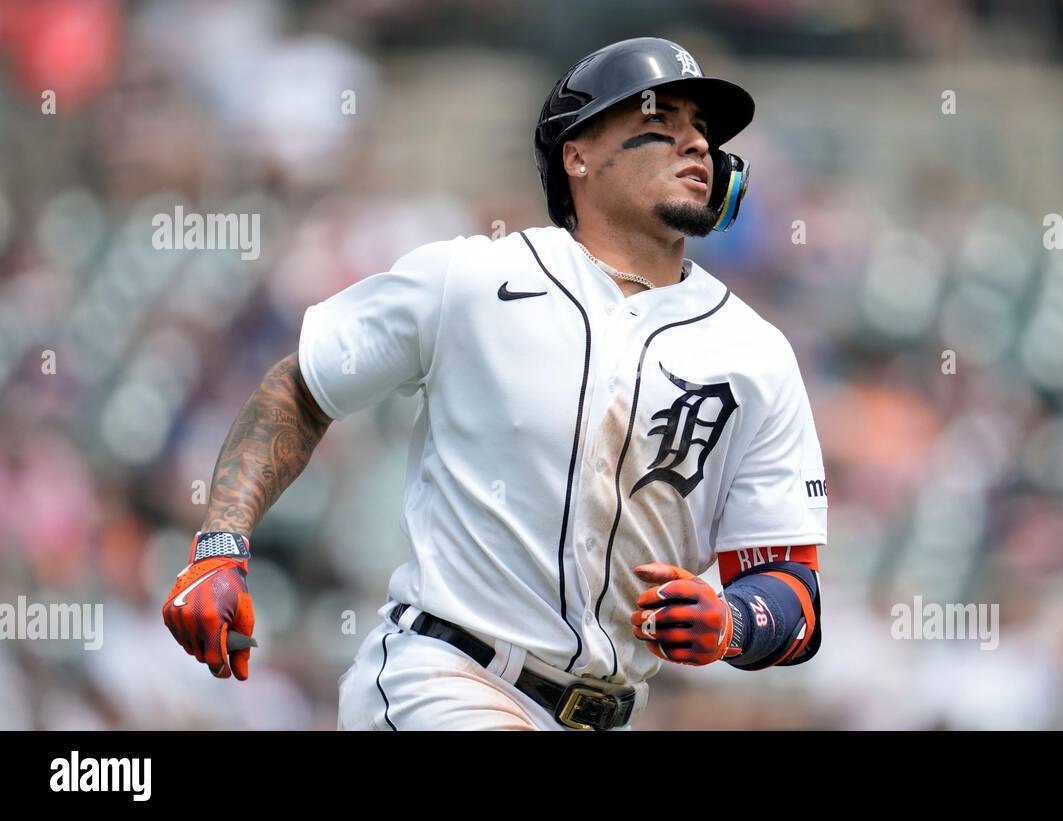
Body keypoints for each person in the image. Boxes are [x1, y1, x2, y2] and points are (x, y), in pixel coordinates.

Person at [161, 37, 827, 731]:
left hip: (607, 713)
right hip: (446, 677)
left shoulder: (756, 354)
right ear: (579, 156)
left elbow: (793, 591)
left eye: (704, 131)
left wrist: (734, 623)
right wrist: (221, 543)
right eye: (661, 125)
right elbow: (304, 387)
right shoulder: (473, 279)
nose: (696, 144)